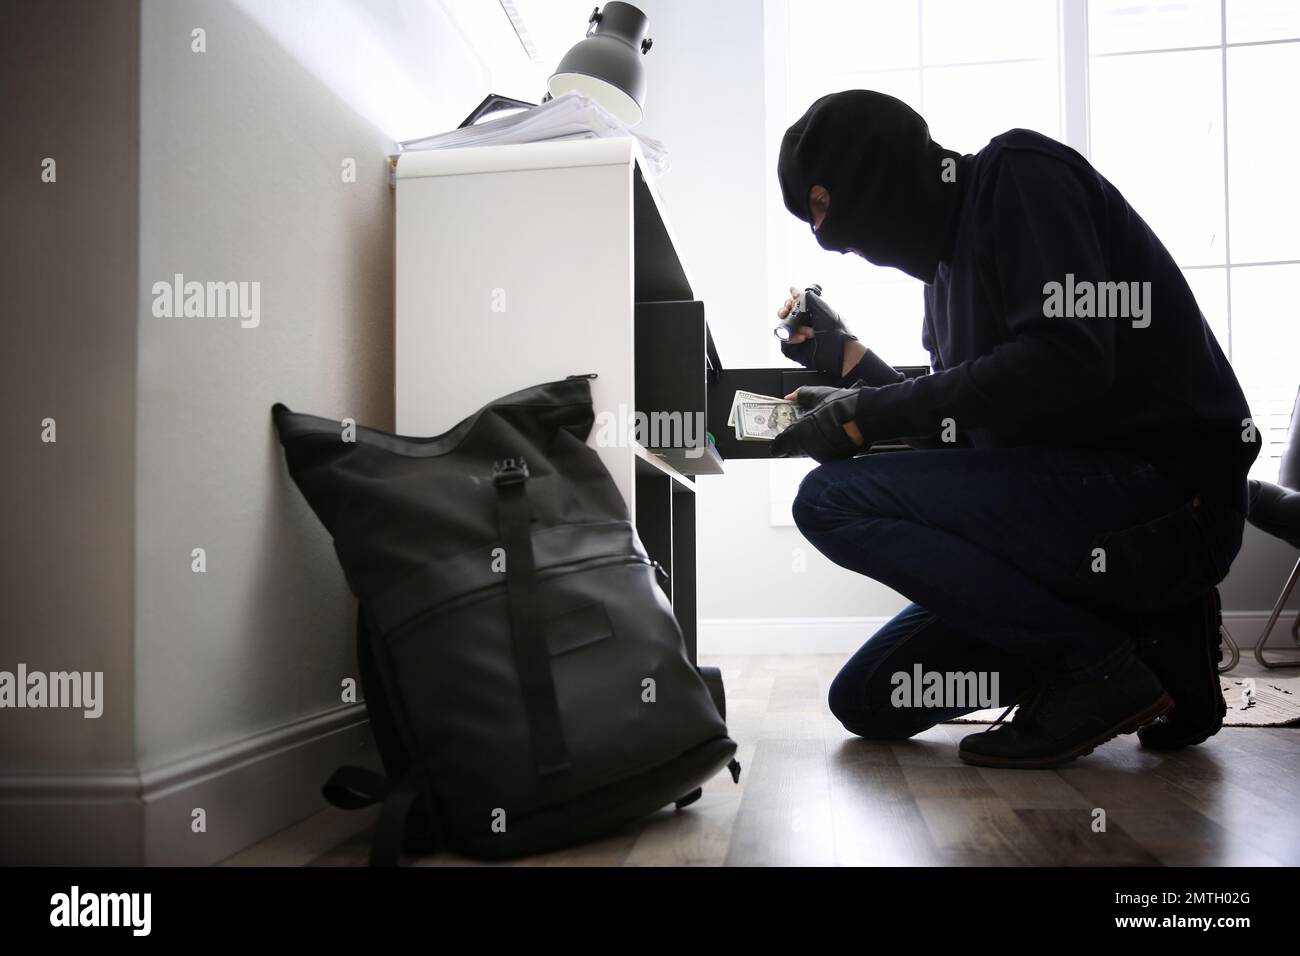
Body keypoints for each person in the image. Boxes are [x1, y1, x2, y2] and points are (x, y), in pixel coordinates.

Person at [770, 90, 1258, 768]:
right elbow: (967, 442)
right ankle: (1148, 638)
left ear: (878, 176)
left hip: (1167, 503)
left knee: (827, 499)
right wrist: (850, 371)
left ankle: (1095, 666)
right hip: (1065, 527)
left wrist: (871, 412)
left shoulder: (1018, 175)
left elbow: (1068, 358)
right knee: (871, 701)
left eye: (830, 214)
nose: (841, 245)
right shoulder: (939, 291)